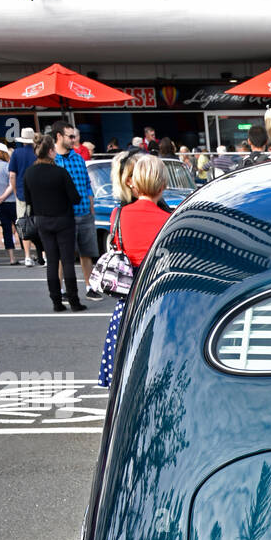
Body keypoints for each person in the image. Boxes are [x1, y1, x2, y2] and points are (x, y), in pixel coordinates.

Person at [98, 153, 170, 388]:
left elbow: (119, 247)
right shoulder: (168, 219)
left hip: (128, 298)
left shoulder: (118, 215)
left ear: (134, 183)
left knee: (124, 369)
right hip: (157, 294)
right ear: (163, 185)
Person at [23, 135, 85, 312]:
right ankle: (74, 300)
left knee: (51, 260)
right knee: (67, 261)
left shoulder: (29, 173)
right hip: (64, 219)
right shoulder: (60, 172)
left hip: (42, 219)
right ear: (51, 151)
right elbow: (75, 197)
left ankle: (56, 301)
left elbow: (27, 199)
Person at [52, 124, 98, 293]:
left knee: (87, 252)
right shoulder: (53, 160)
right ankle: (61, 289)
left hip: (84, 212)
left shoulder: (78, 158)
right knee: (63, 255)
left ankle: (89, 286)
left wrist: (91, 206)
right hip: (64, 215)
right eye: (70, 136)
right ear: (59, 136)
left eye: (74, 136)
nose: (74, 140)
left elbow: (87, 184)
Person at [7, 127, 43, 265]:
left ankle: (27, 256)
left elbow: (12, 175)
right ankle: (45, 255)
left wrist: (16, 191)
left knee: (24, 224)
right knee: (41, 223)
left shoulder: (16, 153)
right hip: (39, 193)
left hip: (22, 193)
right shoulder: (37, 152)